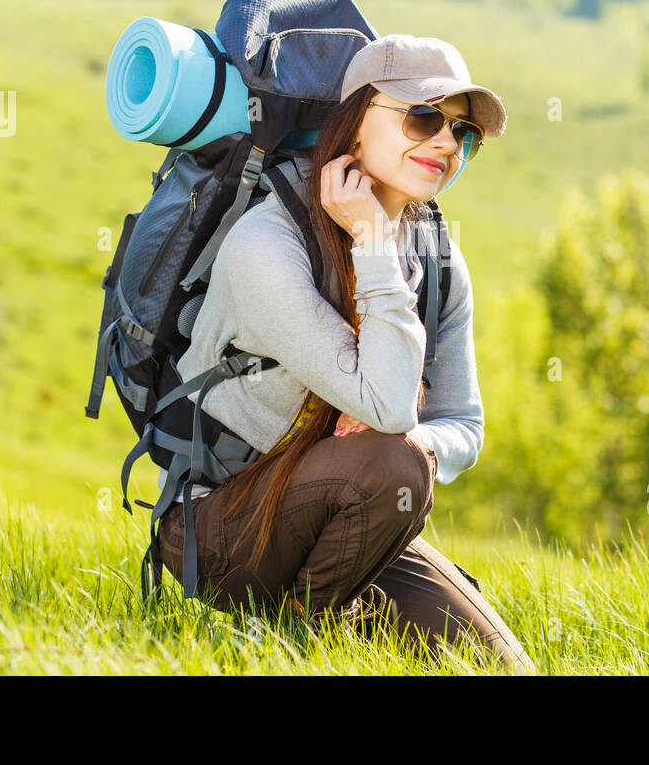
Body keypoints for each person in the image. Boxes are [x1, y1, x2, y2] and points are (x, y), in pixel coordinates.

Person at [156, 33, 536, 674]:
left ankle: (329, 614)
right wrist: (371, 237)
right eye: (423, 117)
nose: (446, 143)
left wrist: (410, 437)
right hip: (222, 527)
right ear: (353, 123)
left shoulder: (438, 257)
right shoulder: (268, 244)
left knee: (503, 668)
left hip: (351, 508)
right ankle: (291, 645)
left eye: (462, 133)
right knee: (394, 464)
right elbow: (389, 410)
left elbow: (464, 427)